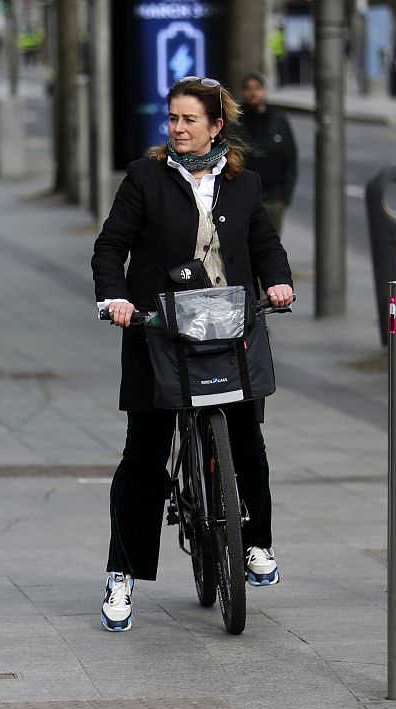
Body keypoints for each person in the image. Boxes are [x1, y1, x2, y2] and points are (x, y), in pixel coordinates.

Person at [92, 76, 295, 633]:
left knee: (248, 440)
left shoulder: (244, 184)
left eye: (189, 120)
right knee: (144, 456)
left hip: (229, 330)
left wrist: (278, 282)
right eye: (172, 119)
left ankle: (254, 542)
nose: (178, 129)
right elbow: (111, 245)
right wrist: (115, 297)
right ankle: (121, 574)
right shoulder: (145, 177)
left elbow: (265, 245)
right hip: (158, 331)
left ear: (216, 126)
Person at [239, 72, 298, 235]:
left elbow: (290, 159)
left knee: (271, 244)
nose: (253, 93)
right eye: (249, 88)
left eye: (257, 88)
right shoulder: (236, 123)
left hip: (273, 199)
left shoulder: (278, 121)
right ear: (243, 92)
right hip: (245, 199)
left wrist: (284, 197)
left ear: (264, 91)